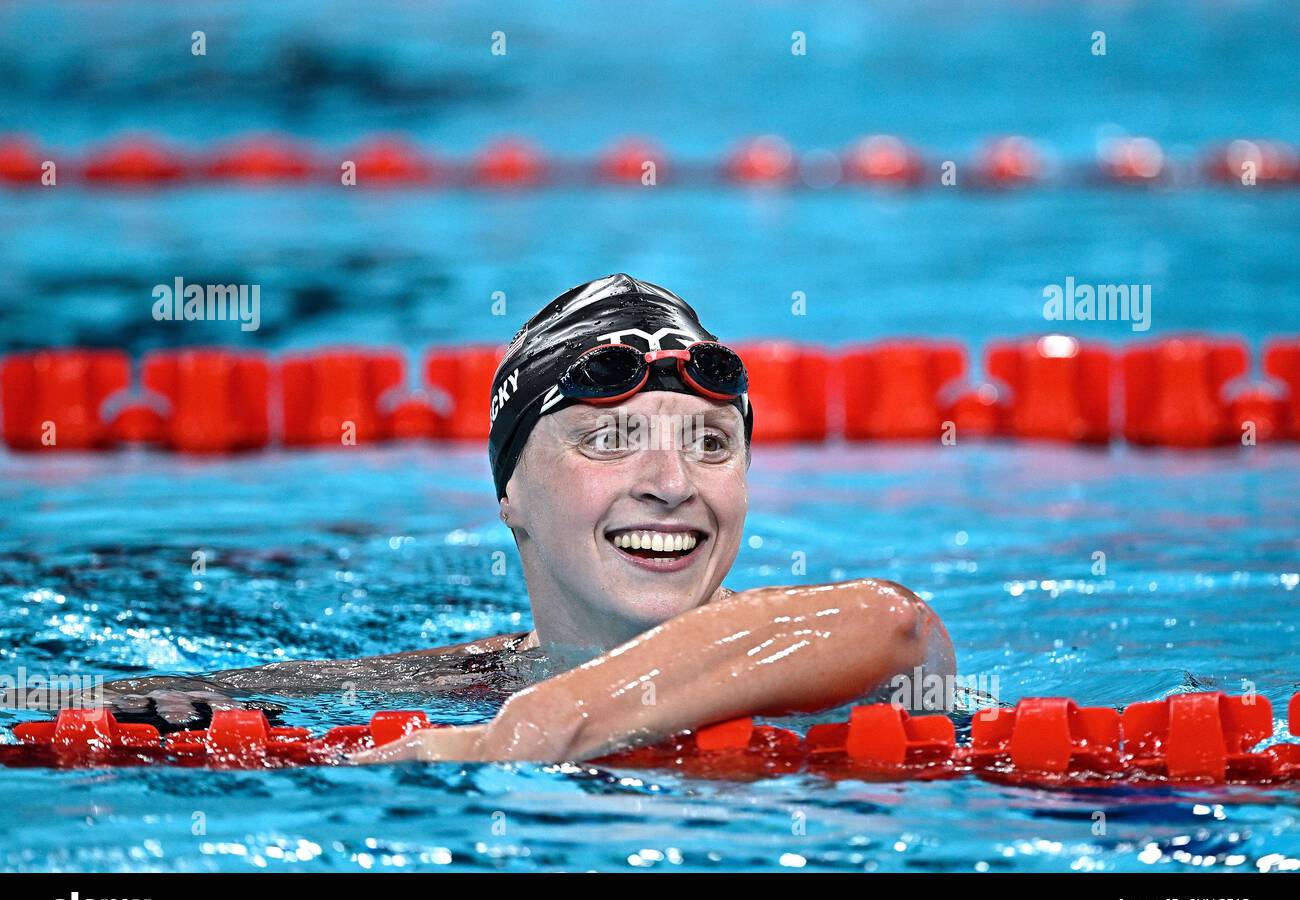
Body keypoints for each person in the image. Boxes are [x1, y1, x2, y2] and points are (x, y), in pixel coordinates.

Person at [67, 274, 956, 763]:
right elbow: (186, 701)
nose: (671, 482)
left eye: (712, 444)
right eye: (608, 439)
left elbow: (898, 625)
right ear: (511, 496)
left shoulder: (832, 662)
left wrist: (539, 730)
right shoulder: (453, 685)